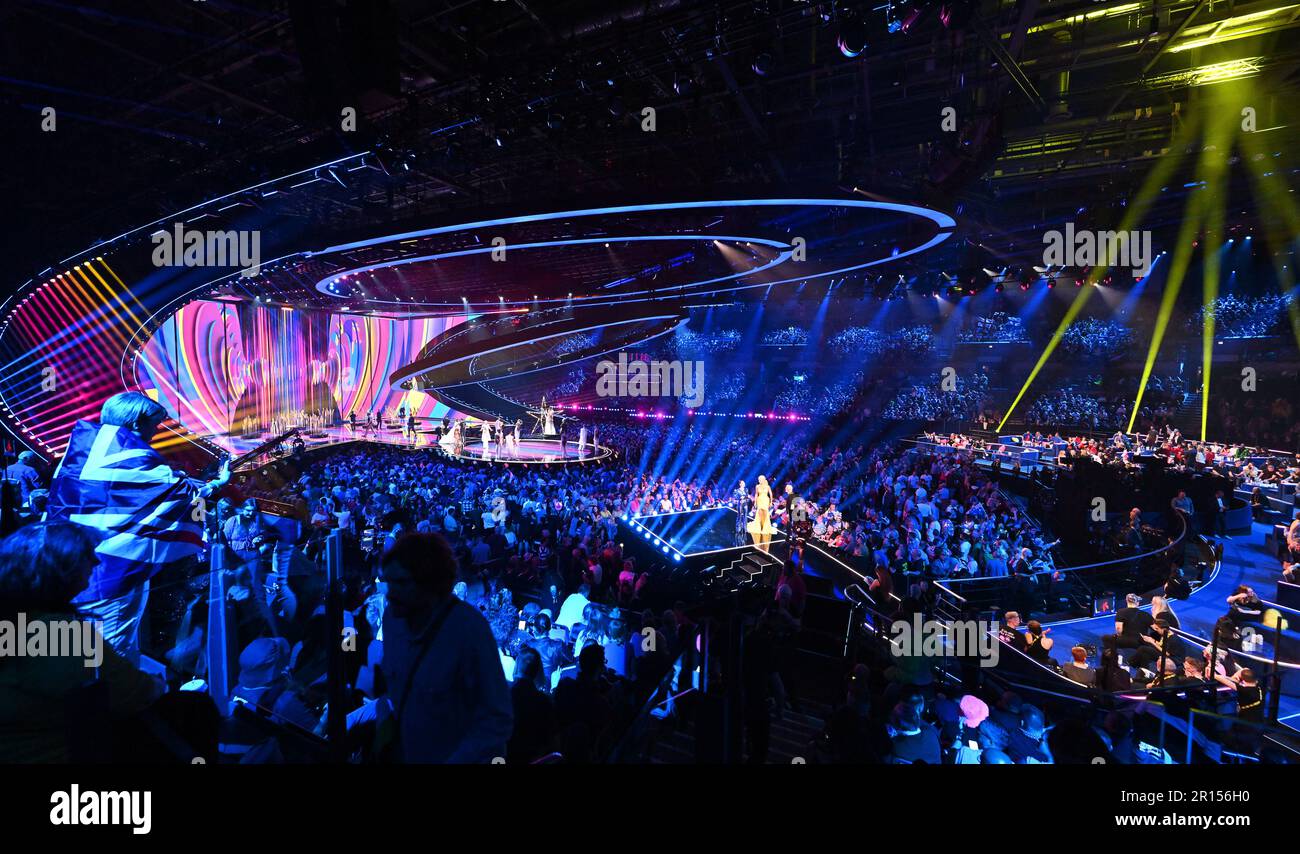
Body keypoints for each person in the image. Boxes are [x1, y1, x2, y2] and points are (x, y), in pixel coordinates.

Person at [45, 392, 228, 664]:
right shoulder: (130, 457)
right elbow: (180, 492)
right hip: (110, 577)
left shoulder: (81, 453)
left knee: (76, 654)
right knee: (110, 657)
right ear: (134, 423)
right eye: (153, 424)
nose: (156, 432)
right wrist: (217, 483)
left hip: (66, 569)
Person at [0, 522, 166, 762]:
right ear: (59, 568)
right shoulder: (62, 635)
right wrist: (158, 684)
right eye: (87, 555)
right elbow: (136, 693)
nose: (97, 562)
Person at [377, 532, 512, 763]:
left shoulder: (469, 629)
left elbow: (498, 717)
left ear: (429, 582)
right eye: (388, 582)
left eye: (401, 583)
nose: (390, 594)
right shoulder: (392, 619)